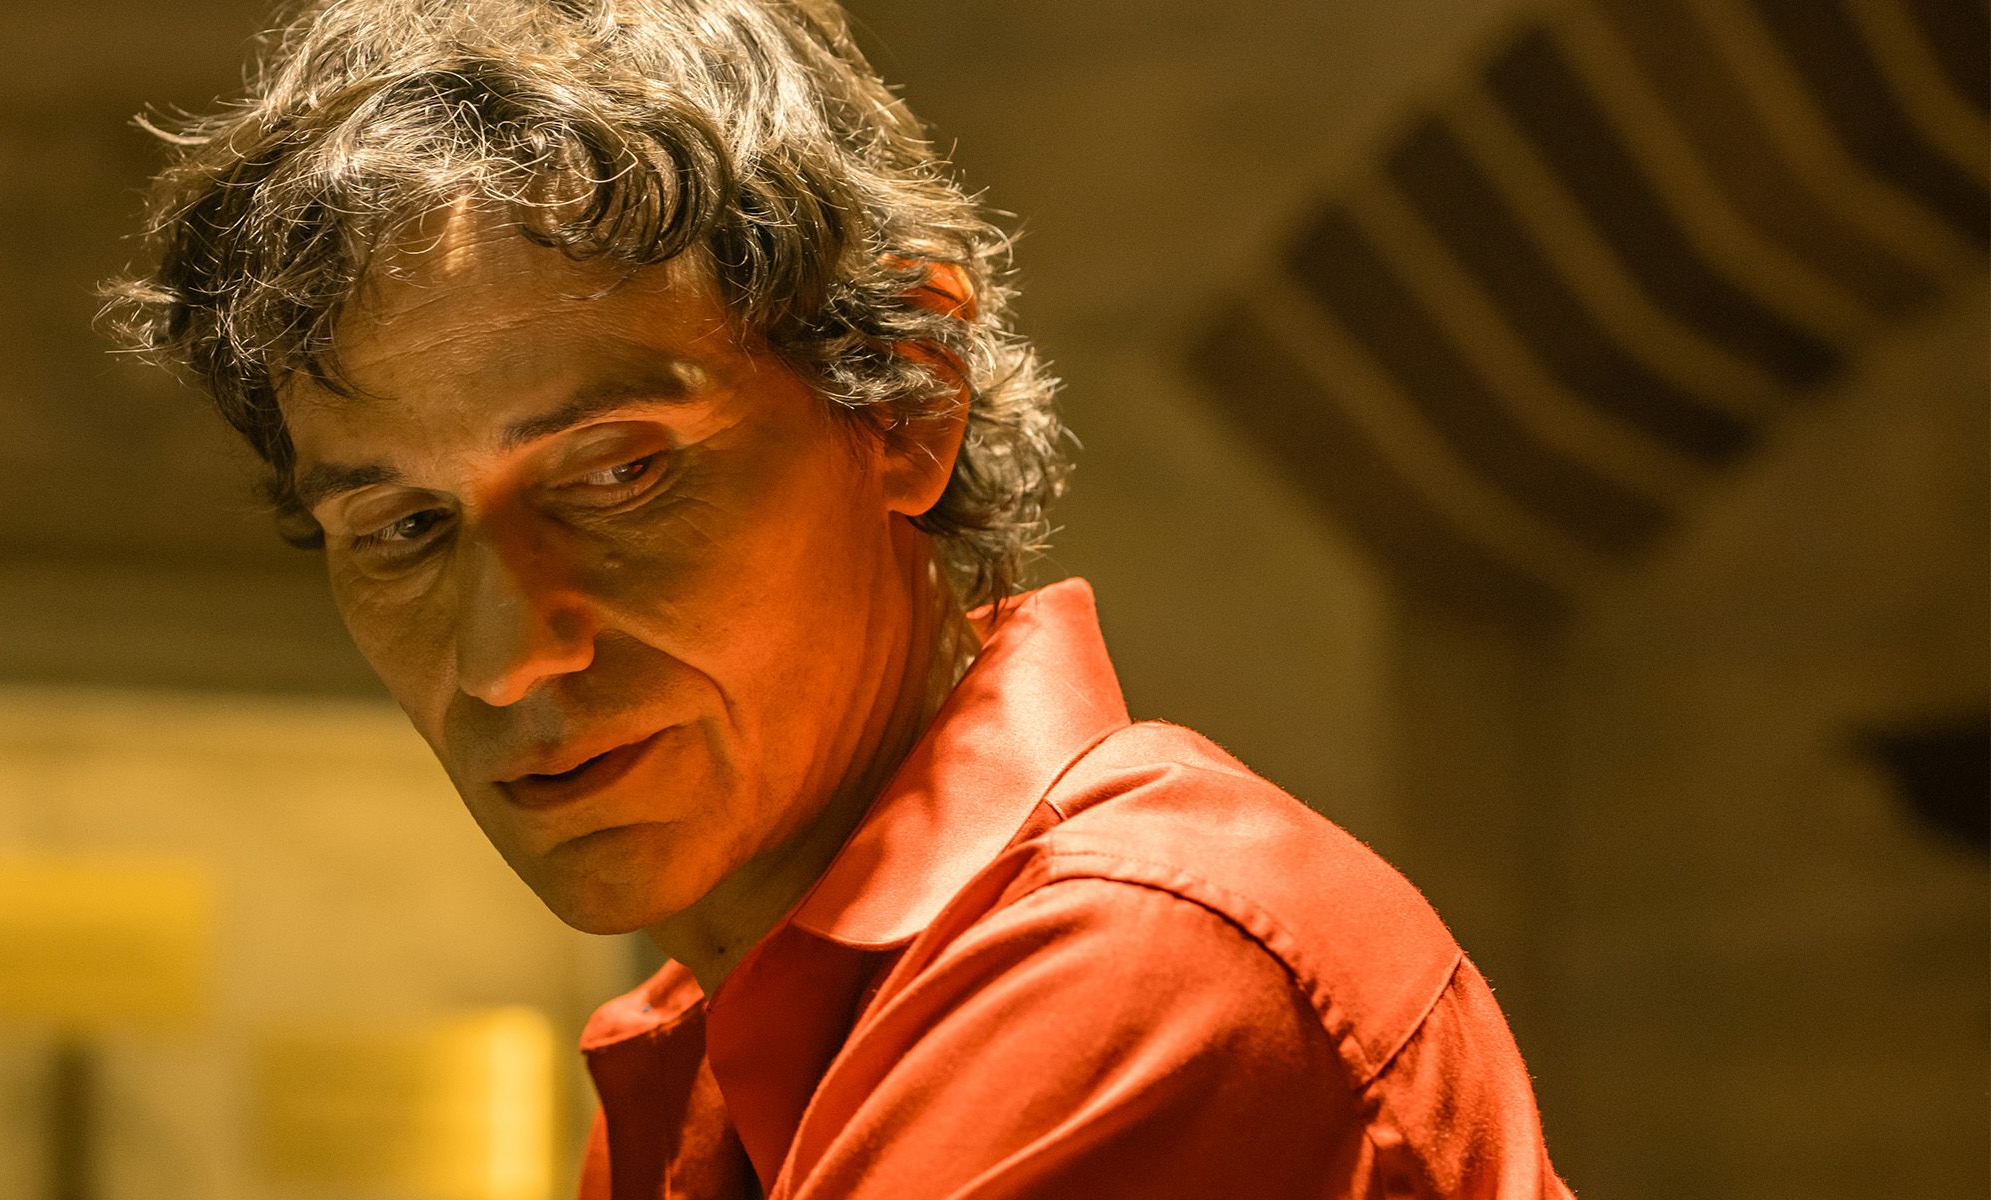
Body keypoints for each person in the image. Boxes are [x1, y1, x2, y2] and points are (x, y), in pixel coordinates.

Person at [110, 1, 1575, 1195]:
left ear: (909, 400)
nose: (505, 659)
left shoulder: (1140, 963)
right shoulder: (698, 1045)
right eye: (404, 528)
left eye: (617, 474)